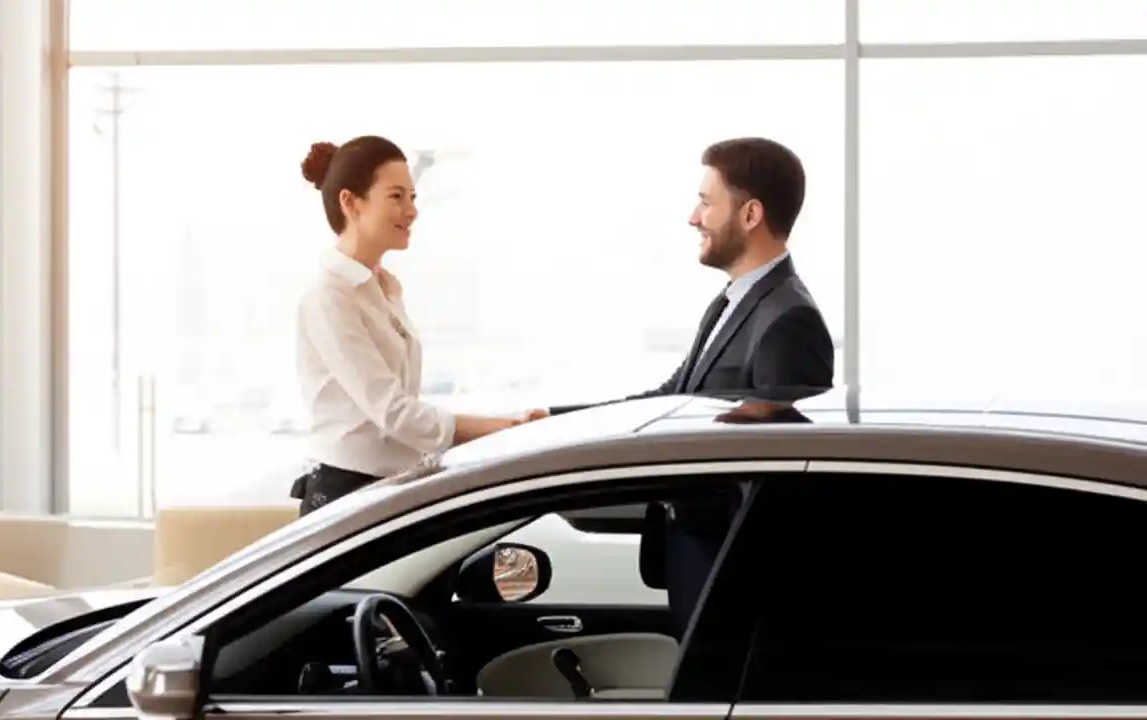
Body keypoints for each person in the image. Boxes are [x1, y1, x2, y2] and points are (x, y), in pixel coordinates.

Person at [534, 137, 835, 637]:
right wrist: (550, 422)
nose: (693, 218)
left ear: (751, 214)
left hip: (736, 579)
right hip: (699, 560)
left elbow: (781, 483)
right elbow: (672, 401)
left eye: (706, 202)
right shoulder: (734, 302)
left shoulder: (789, 319)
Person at [291, 135, 524, 514]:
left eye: (412, 197)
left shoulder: (383, 288)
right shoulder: (330, 297)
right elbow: (393, 411)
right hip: (347, 493)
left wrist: (505, 429)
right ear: (351, 202)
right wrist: (501, 429)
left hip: (389, 486)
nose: (412, 211)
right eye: (396, 196)